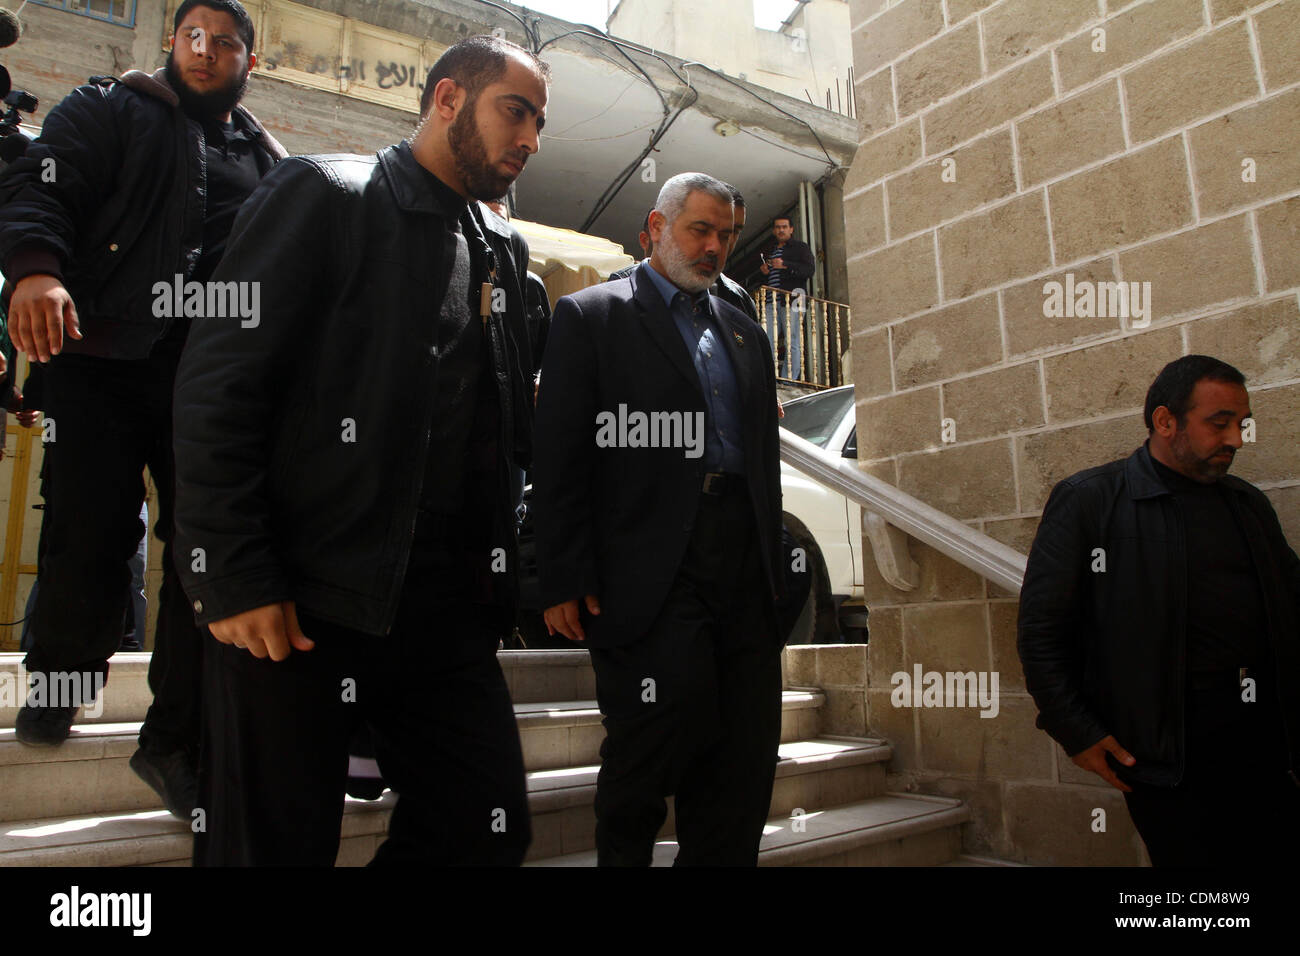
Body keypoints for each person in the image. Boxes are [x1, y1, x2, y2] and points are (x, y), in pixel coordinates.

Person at [172, 34, 549, 866]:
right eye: (514, 112)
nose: (528, 138)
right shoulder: (323, 194)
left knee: (484, 828)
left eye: (539, 123)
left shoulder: (499, 251)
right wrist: (231, 570)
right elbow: (218, 386)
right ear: (448, 99)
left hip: (444, 616)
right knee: (269, 848)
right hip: (301, 602)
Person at [0, 0, 284, 821]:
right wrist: (34, 271)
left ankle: (173, 738)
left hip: (212, 384)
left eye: (224, 42)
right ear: (173, 44)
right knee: (88, 535)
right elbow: (35, 185)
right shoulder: (108, 107)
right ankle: (57, 684)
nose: (205, 51)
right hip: (102, 357)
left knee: (209, 556)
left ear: (249, 62)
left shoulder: (268, 161)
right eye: (192, 36)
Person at [534, 172, 784, 865]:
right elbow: (558, 455)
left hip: (741, 566)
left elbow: (763, 459)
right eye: (698, 230)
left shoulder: (743, 329)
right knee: (649, 745)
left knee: (742, 761)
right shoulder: (592, 316)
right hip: (648, 570)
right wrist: (561, 571)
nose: (714, 247)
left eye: (726, 234)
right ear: (655, 227)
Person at [1018, 354, 1300, 866]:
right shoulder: (1090, 501)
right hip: (1167, 755)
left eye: (1242, 424)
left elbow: (1292, 602)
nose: (1236, 438)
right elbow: (1042, 630)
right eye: (1220, 423)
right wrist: (1075, 729)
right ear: (1165, 421)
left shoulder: (1248, 505)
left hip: (1265, 742)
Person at [759, 216, 815, 379]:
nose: (780, 230)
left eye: (784, 227)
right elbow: (770, 279)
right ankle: (770, 378)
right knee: (767, 341)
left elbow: (809, 270)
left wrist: (785, 265)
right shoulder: (772, 249)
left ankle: (789, 380)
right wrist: (764, 272)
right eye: (777, 227)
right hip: (770, 302)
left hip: (794, 299)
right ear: (773, 230)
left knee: (793, 341)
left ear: (791, 229)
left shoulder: (800, 248)